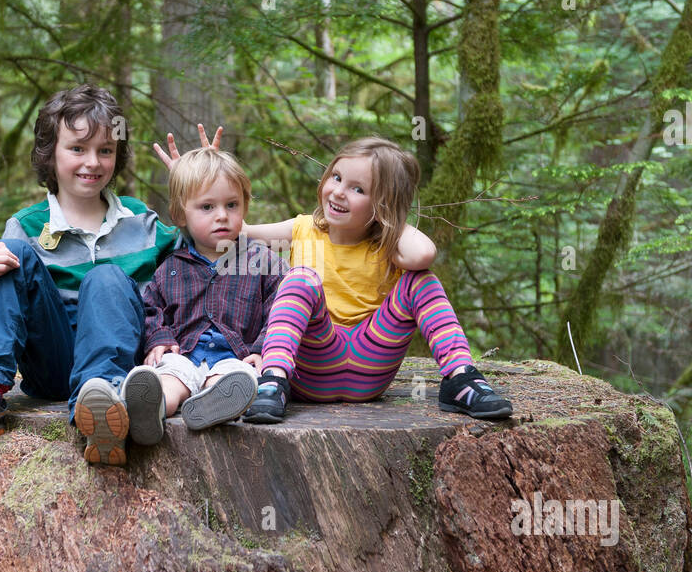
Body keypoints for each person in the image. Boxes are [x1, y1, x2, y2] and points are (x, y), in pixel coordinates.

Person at [158, 135, 512, 424]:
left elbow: (422, 256)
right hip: (313, 364)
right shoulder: (301, 229)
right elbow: (233, 229)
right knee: (299, 278)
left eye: (359, 189)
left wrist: (389, 221)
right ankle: (273, 381)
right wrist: (197, 182)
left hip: (371, 364)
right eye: (337, 178)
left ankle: (461, 378)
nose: (339, 192)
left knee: (422, 281)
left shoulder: (389, 246)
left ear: (383, 204)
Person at [0, 84, 181, 466]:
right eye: (77, 148)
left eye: (105, 150)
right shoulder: (26, 225)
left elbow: (206, 254)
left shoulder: (143, 222)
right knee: (9, 254)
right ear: (50, 154)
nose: (92, 162)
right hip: (52, 358)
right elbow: (5, 310)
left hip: (119, 359)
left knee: (106, 278)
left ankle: (101, 409)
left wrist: (195, 184)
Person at [120, 149, 283, 443]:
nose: (222, 215)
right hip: (183, 354)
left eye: (231, 205)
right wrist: (160, 339)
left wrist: (262, 349)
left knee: (235, 381)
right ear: (181, 214)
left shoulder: (262, 261)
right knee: (169, 378)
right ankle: (149, 410)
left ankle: (214, 405)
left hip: (237, 357)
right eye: (207, 207)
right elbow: (151, 308)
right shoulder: (170, 266)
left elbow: (280, 310)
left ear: (245, 207)